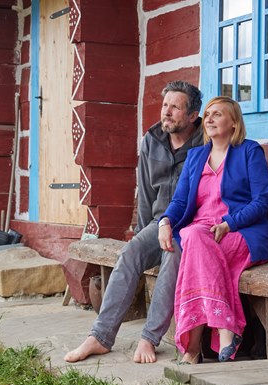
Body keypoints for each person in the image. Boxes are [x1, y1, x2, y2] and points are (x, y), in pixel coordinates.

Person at [65, 81, 205, 364]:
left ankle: (149, 339)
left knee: (171, 255)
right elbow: (145, 192)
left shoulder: (206, 141)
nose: (166, 112)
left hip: (193, 226)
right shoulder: (152, 139)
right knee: (131, 252)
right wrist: (143, 239)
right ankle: (100, 337)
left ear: (192, 115)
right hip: (159, 222)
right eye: (165, 105)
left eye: (175, 107)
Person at [158, 96, 268, 364]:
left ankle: (193, 347)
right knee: (195, 237)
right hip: (201, 232)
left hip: (239, 232)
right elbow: (181, 201)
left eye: (217, 114)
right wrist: (166, 221)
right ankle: (225, 329)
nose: (208, 119)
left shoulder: (249, 151)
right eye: (207, 114)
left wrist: (229, 223)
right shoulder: (196, 156)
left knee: (195, 252)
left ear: (233, 123)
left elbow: (262, 201)